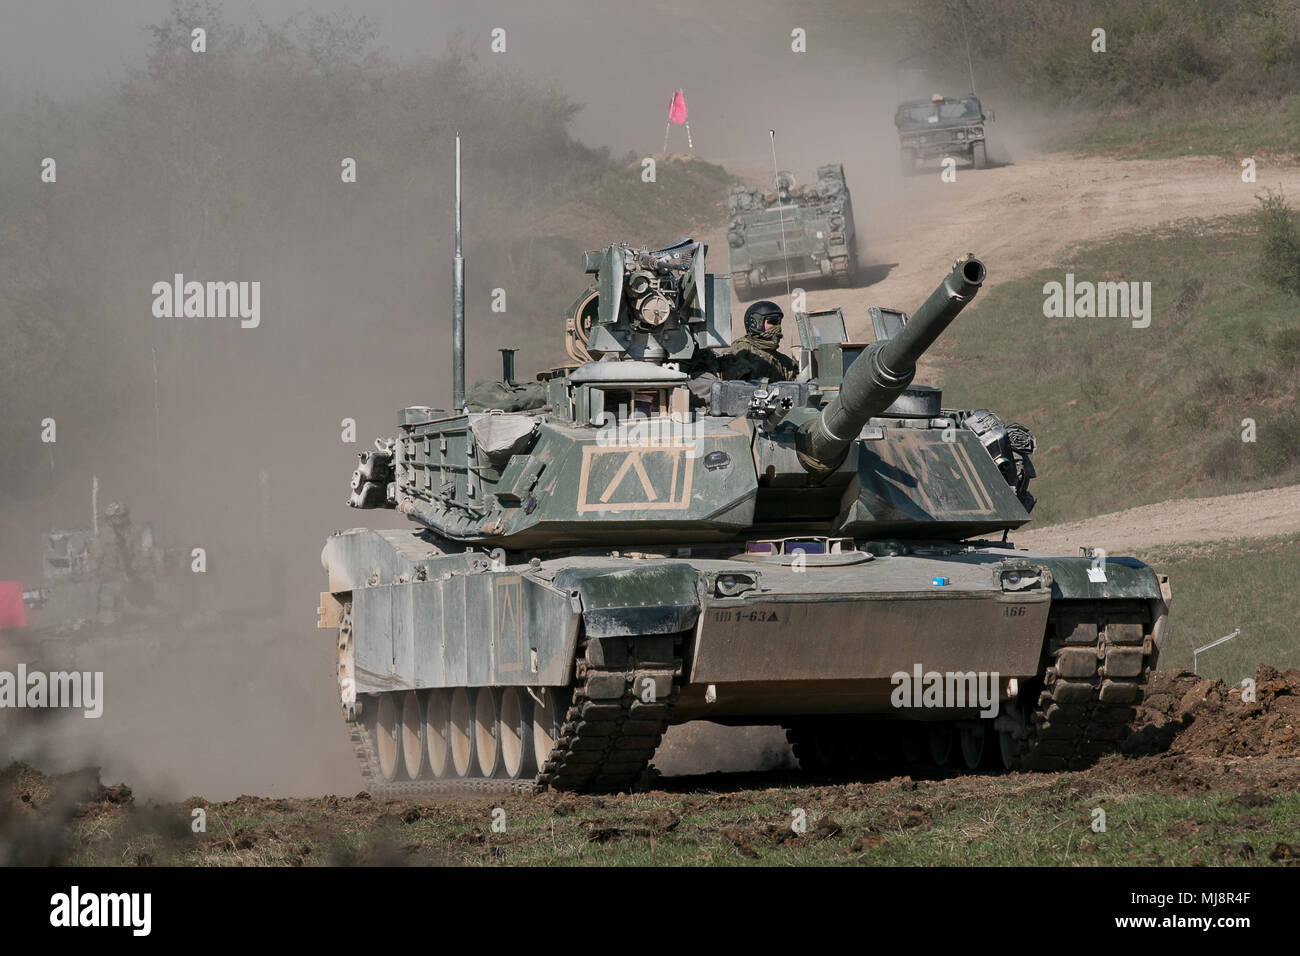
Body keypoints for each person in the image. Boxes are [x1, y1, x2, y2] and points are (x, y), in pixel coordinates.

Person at [716, 300, 800, 382]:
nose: (778, 327)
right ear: (756, 323)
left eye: (779, 322)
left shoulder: (784, 361)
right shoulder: (740, 352)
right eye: (773, 321)